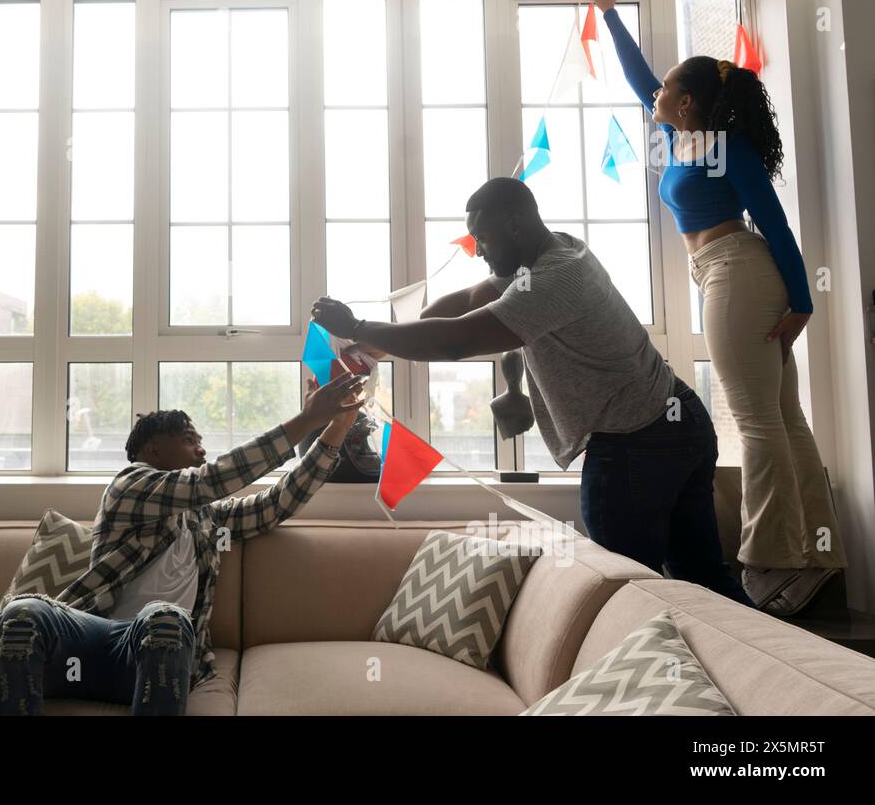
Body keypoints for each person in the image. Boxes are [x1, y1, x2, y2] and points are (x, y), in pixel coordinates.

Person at [311, 177, 755, 609]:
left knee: (624, 593)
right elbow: (465, 303)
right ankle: (767, 669)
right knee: (703, 581)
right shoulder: (542, 255)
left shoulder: (556, 277)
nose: (478, 251)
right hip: (674, 423)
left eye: (482, 238)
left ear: (516, 224)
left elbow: (455, 341)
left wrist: (356, 327)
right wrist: (379, 343)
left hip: (638, 442)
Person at [584, 0, 846, 615]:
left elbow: (775, 225)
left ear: (690, 101)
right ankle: (811, 558)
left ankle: (768, 560)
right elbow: (638, 77)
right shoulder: (679, 136)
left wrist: (803, 303)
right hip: (724, 274)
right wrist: (611, 14)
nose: (658, 91)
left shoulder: (728, 149)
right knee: (784, 419)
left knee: (756, 422)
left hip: (740, 271)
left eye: (669, 87)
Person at [0, 372, 366, 715]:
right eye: (189, 440)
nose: (201, 449)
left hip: (154, 654)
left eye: (200, 441)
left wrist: (337, 429)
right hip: (90, 642)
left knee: (164, 618)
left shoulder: (205, 518)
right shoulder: (130, 485)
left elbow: (276, 504)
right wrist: (305, 421)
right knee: (24, 611)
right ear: (152, 452)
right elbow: (209, 481)